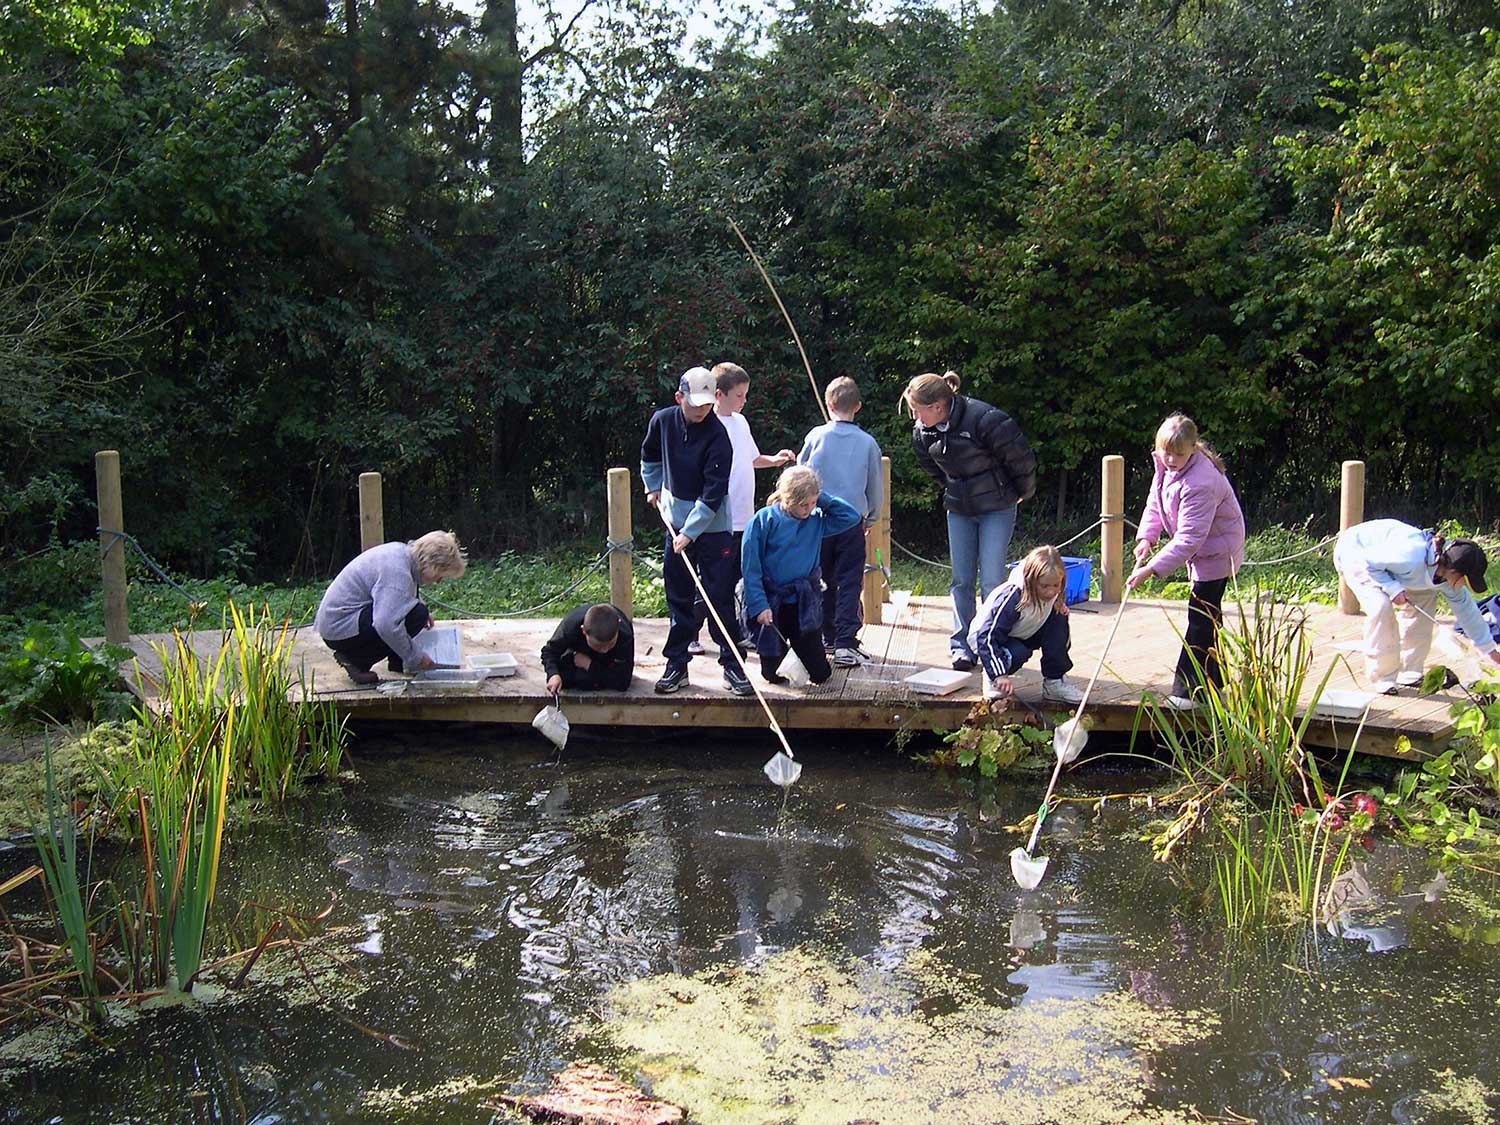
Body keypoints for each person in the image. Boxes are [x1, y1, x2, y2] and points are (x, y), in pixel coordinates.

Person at [904, 370, 1036, 671]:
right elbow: (931, 467)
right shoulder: (923, 431)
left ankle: (992, 642)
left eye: (917, 409)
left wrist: (1019, 494)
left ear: (938, 406)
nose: (914, 416)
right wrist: (955, 487)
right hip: (960, 509)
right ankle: (962, 646)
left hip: (997, 506)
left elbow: (1021, 459)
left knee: (992, 579)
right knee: (961, 579)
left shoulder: (985, 418)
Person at [641, 366, 753, 696]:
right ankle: (676, 664)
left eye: (707, 404)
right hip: (675, 522)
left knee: (719, 597)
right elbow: (649, 457)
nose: (703, 410)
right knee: (678, 596)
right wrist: (653, 486)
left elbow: (714, 493)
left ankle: (733, 666)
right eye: (696, 404)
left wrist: (690, 533)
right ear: (679, 398)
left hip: (713, 527)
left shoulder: (719, 436)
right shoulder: (662, 421)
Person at [1126, 414, 1245, 709]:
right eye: (1166, 451)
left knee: (1200, 617)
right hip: (1203, 549)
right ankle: (1214, 681)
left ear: (1193, 448)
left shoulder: (1201, 482)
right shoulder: (1166, 467)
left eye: (1178, 454)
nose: (1170, 459)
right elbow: (1155, 503)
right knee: (1208, 615)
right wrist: (1146, 539)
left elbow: (1190, 539)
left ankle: (1191, 692)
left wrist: (1152, 568)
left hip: (1218, 552)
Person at [687, 361, 795, 656]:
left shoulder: (741, 422)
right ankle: (691, 632)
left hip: (744, 518)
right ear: (718, 394)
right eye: (739, 395)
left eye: (746, 395)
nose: (744, 401)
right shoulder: (708, 426)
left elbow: (751, 457)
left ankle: (733, 632)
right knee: (711, 579)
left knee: (737, 578)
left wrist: (773, 460)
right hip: (718, 518)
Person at [1333, 520, 1500, 693]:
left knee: (1426, 596)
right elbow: (1370, 564)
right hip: (1356, 552)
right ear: (1453, 571)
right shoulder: (1410, 556)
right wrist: (1393, 589)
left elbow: (1468, 612)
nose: (1464, 586)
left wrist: (1489, 650)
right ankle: (1383, 677)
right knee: (1381, 607)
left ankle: (1410, 671)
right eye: (1465, 581)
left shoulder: (1446, 580)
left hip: (1388, 565)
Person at [741, 465, 861, 686]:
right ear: (786, 500)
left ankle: (802, 652)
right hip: (773, 603)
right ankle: (776, 656)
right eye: (802, 504)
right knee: (773, 675)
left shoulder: (816, 520)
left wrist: (818, 497)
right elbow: (751, 570)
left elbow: (851, 517)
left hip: (803, 603)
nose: (808, 509)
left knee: (820, 674)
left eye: (812, 503)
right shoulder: (763, 521)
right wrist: (759, 606)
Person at [798, 376, 883, 666]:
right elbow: (875, 485)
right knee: (849, 581)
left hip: (817, 521)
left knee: (820, 580)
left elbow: (800, 476)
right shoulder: (868, 443)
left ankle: (826, 636)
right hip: (850, 524)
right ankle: (845, 641)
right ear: (857, 406)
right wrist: (871, 516)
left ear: (828, 403)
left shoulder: (814, 436)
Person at [315, 530, 467, 685]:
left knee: (417, 612)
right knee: (413, 616)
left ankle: (398, 661)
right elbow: (385, 624)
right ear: (432, 566)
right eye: (440, 575)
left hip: (340, 618)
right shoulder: (398, 572)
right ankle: (355, 661)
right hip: (339, 627)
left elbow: (397, 594)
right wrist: (417, 657)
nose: (438, 581)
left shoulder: (402, 554)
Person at [969, 545, 1083, 703]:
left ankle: (1054, 683)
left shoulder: (1053, 592)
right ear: (1031, 581)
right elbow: (987, 636)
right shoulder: (1013, 597)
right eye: (1044, 586)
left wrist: (1058, 606)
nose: (1051, 592)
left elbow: (1054, 604)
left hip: (1024, 631)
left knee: (1059, 618)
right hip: (988, 641)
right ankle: (992, 677)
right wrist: (999, 674)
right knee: (1019, 652)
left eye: (1056, 585)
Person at [541, 603, 634, 694]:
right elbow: (549, 652)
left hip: (608, 661)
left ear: (618, 628)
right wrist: (553, 674)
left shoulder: (625, 635)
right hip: (577, 654)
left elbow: (624, 681)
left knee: (588, 680)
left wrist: (589, 665)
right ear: (583, 631)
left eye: (610, 644)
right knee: (565, 678)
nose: (604, 650)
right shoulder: (570, 627)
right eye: (599, 646)